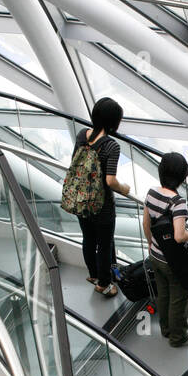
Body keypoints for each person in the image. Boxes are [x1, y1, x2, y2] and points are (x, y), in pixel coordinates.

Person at [143, 151, 188, 347]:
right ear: (182, 177)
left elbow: (146, 223)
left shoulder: (151, 192)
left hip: (155, 255)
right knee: (178, 297)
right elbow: (179, 236)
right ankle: (178, 337)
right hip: (173, 261)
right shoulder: (178, 203)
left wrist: (151, 245)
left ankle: (167, 328)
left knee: (163, 294)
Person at [76, 97, 131, 298]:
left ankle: (93, 275)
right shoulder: (111, 146)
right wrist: (124, 188)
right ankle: (104, 284)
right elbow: (110, 181)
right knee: (105, 244)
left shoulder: (82, 135)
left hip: (80, 199)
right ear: (114, 121)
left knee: (88, 239)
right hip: (102, 205)